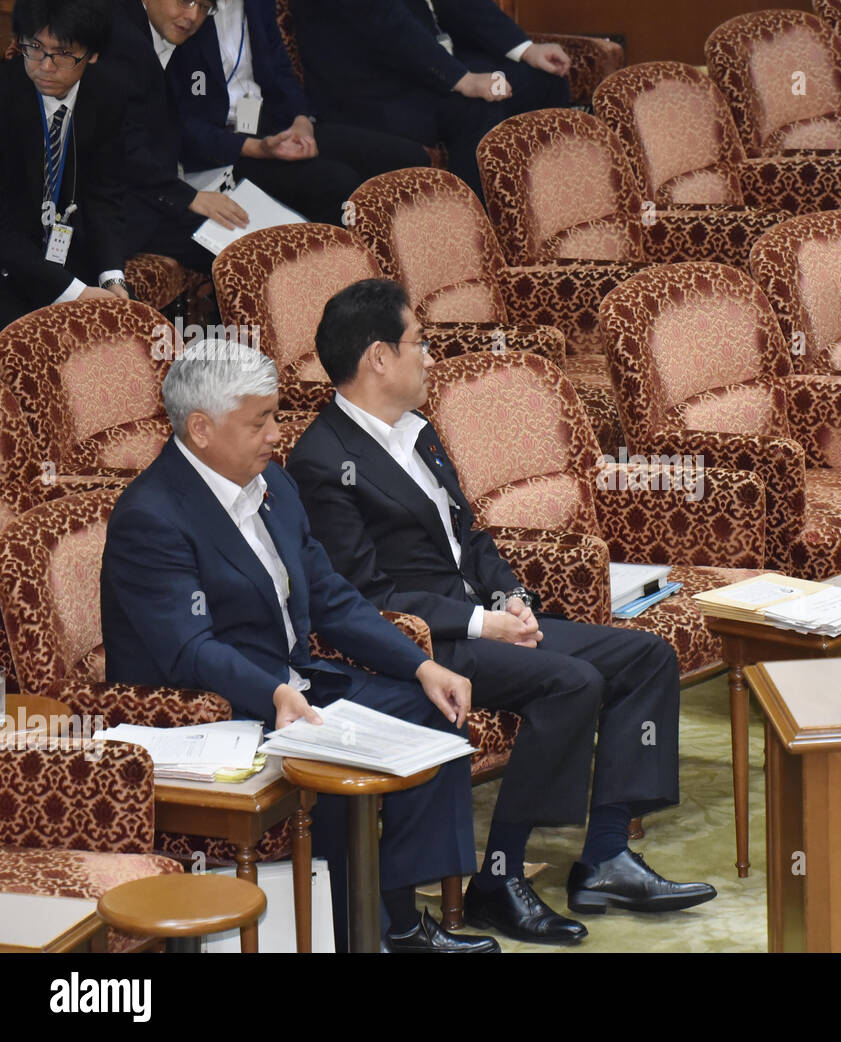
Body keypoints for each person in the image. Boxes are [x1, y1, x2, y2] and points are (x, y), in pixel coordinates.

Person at [285, 279, 717, 944]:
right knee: (571, 682)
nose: (430, 357)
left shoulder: (419, 433)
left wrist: (508, 594)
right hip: (425, 645)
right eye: (417, 343)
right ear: (377, 358)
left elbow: (473, 538)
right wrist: (483, 624)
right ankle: (499, 875)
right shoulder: (323, 460)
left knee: (645, 655)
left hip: (481, 619)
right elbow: (367, 595)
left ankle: (604, 856)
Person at [100, 340, 501, 953]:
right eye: (259, 420)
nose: (275, 433)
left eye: (277, 415)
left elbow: (331, 597)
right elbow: (189, 648)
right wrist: (274, 690)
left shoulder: (274, 484)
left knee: (436, 715)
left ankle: (392, 917)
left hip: (297, 681)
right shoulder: (151, 516)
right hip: (213, 706)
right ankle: (354, 931)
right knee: (339, 771)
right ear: (200, 428)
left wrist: (420, 664)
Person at [164, 0, 431, 224]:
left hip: (271, 124)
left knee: (409, 159)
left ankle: (413, 270)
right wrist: (258, 148)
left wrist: (302, 121)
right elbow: (185, 126)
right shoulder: (184, 13)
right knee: (337, 182)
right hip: (222, 150)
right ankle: (349, 280)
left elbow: (279, 66)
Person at [291, 0, 571, 198]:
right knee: (476, 109)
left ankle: (550, 207)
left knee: (545, 79)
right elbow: (385, 22)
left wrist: (525, 49)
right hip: (372, 89)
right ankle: (478, 235)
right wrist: (463, 80)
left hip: (427, 66)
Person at [0, 0, 129, 328]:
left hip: (63, 252)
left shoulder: (108, 95)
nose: (45, 66)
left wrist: (111, 277)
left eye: (63, 54)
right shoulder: (5, 96)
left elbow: (104, 195)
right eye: (35, 47)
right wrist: (74, 292)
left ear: (93, 54)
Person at [100, 0, 245, 276]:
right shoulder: (118, 38)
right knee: (240, 254)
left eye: (204, 7)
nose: (193, 16)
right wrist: (186, 197)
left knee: (251, 240)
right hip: (115, 207)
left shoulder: (169, 32)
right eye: (185, 1)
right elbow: (115, 144)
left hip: (159, 185)